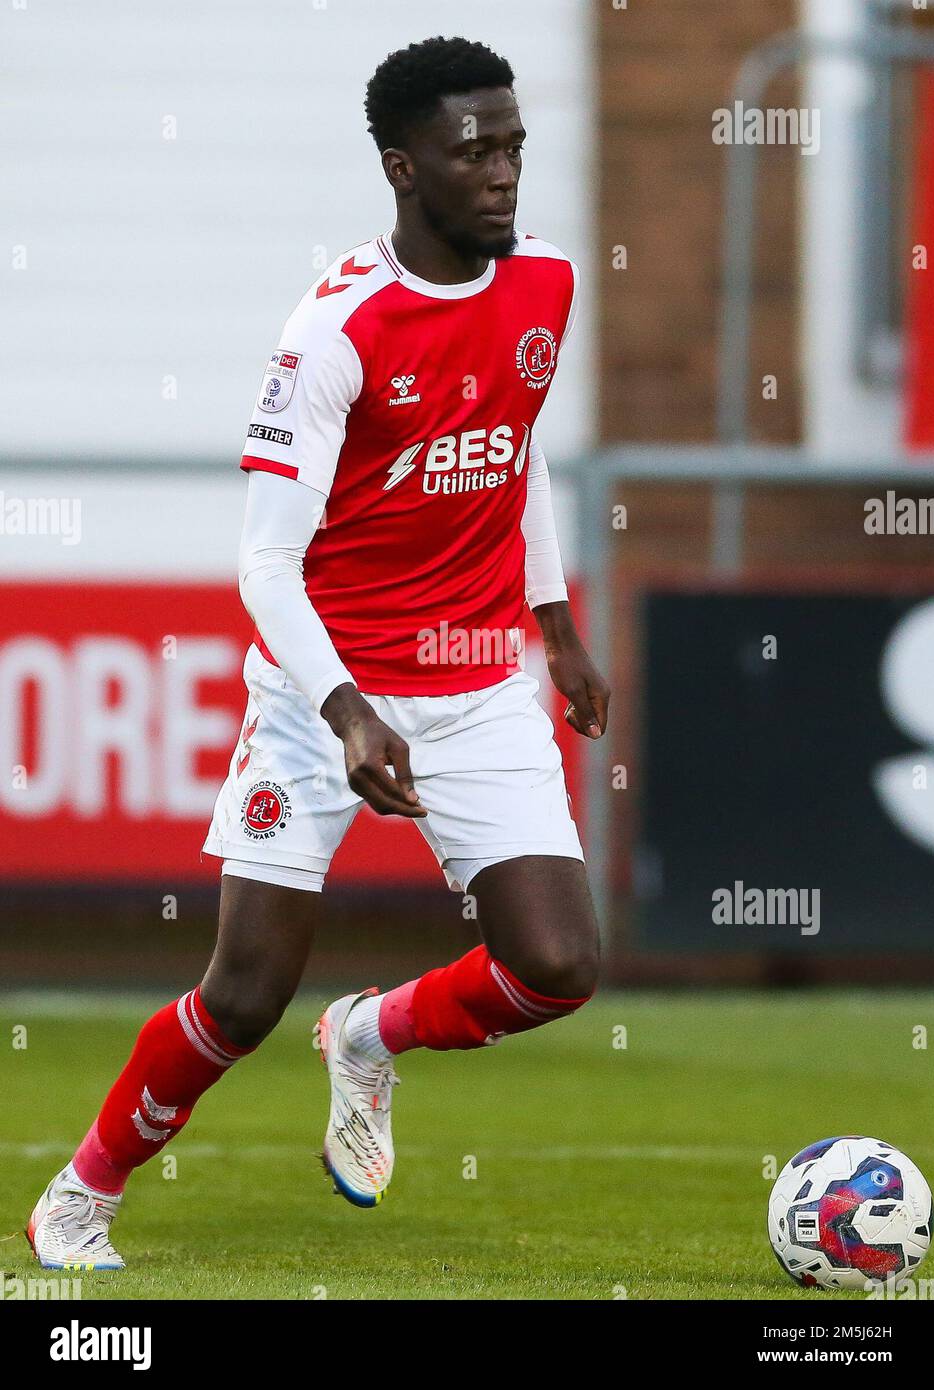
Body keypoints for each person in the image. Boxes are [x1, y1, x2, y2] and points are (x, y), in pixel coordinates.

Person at [27, 34, 609, 1269]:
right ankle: (82, 1190)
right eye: (474, 152)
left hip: (475, 680)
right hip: (318, 693)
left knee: (559, 963)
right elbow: (263, 566)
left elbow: (518, 440)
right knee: (242, 995)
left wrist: (553, 623)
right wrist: (345, 708)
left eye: (513, 145)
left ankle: (373, 1035)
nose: (504, 173)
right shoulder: (334, 332)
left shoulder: (546, 283)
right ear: (404, 168)